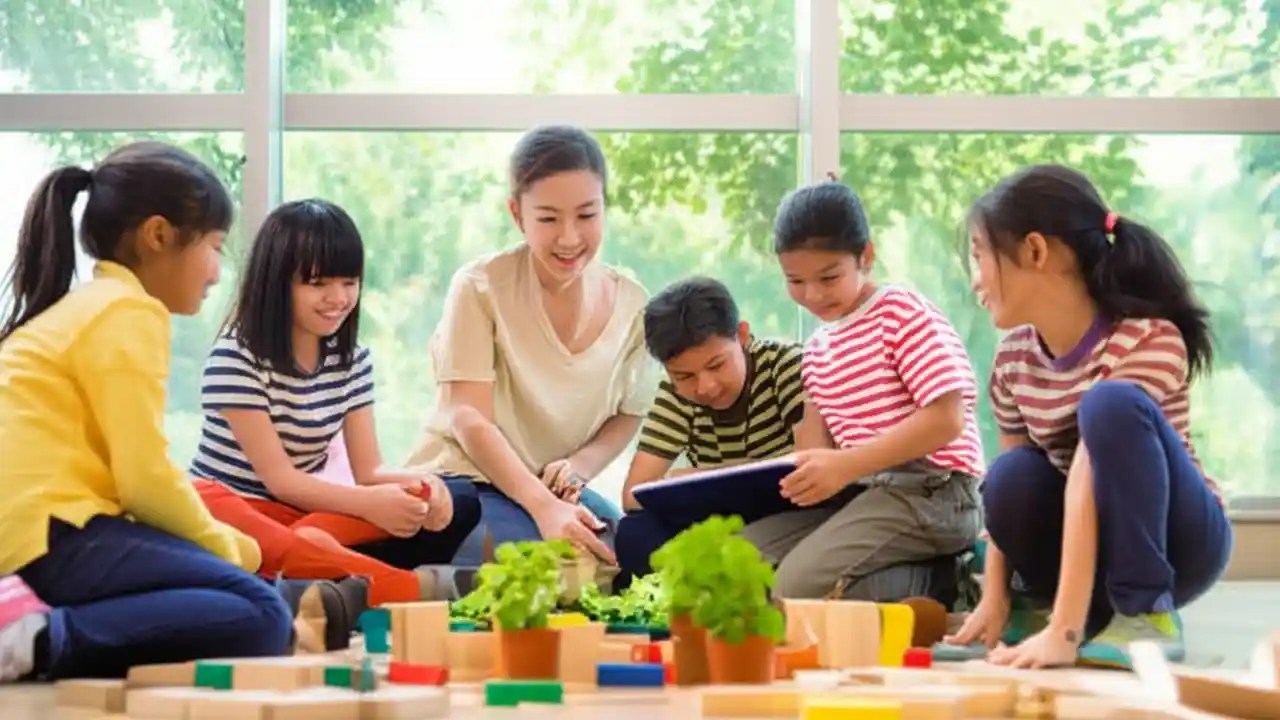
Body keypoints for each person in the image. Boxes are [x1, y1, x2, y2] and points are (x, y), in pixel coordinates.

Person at [0, 141, 293, 681]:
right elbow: (144, 479)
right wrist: (228, 546)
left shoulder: (84, 306)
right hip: (48, 534)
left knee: (233, 590)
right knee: (263, 612)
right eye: (215, 246)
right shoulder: (128, 311)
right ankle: (32, 639)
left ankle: (34, 627)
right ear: (158, 236)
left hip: (35, 530)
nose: (216, 272)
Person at [944, 164, 1231, 669]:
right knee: (1009, 475)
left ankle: (1146, 613)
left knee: (1108, 406)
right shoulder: (1013, 360)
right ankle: (1045, 607)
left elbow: (1087, 467)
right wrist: (996, 598)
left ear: (1035, 250)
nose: (974, 281)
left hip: (1178, 544)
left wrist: (1066, 631)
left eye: (978, 256)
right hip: (1088, 552)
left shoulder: (1148, 337)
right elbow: (1010, 497)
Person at [190, 199, 481, 606]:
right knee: (205, 501)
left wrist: (424, 488)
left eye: (349, 282)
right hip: (241, 511)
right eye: (317, 283)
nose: (338, 298)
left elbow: (370, 470)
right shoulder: (235, 357)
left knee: (459, 497)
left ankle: (319, 571)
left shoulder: (353, 360)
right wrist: (369, 504)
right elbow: (281, 480)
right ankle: (417, 591)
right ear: (276, 283)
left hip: (309, 517)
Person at [406, 125, 653, 566]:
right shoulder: (481, 287)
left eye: (586, 214)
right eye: (548, 218)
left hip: (549, 487)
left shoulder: (632, 303)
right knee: (532, 565)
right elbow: (468, 417)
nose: (569, 237)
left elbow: (628, 414)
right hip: (470, 480)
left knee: (632, 555)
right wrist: (543, 506)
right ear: (517, 214)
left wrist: (579, 466)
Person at [744, 180, 985, 602]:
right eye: (795, 281)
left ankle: (945, 584)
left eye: (829, 277)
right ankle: (894, 579)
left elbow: (947, 419)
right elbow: (820, 446)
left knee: (795, 587)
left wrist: (845, 465)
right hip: (870, 491)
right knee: (737, 562)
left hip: (937, 492)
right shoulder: (818, 348)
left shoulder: (900, 312)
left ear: (866, 257)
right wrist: (807, 469)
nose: (813, 294)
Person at [612, 276, 806, 588]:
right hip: (718, 520)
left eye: (717, 365)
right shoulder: (676, 394)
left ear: (741, 335)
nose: (705, 386)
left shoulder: (787, 367)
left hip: (793, 516)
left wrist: (695, 476)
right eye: (684, 375)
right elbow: (633, 495)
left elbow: (809, 460)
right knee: (635, 533)